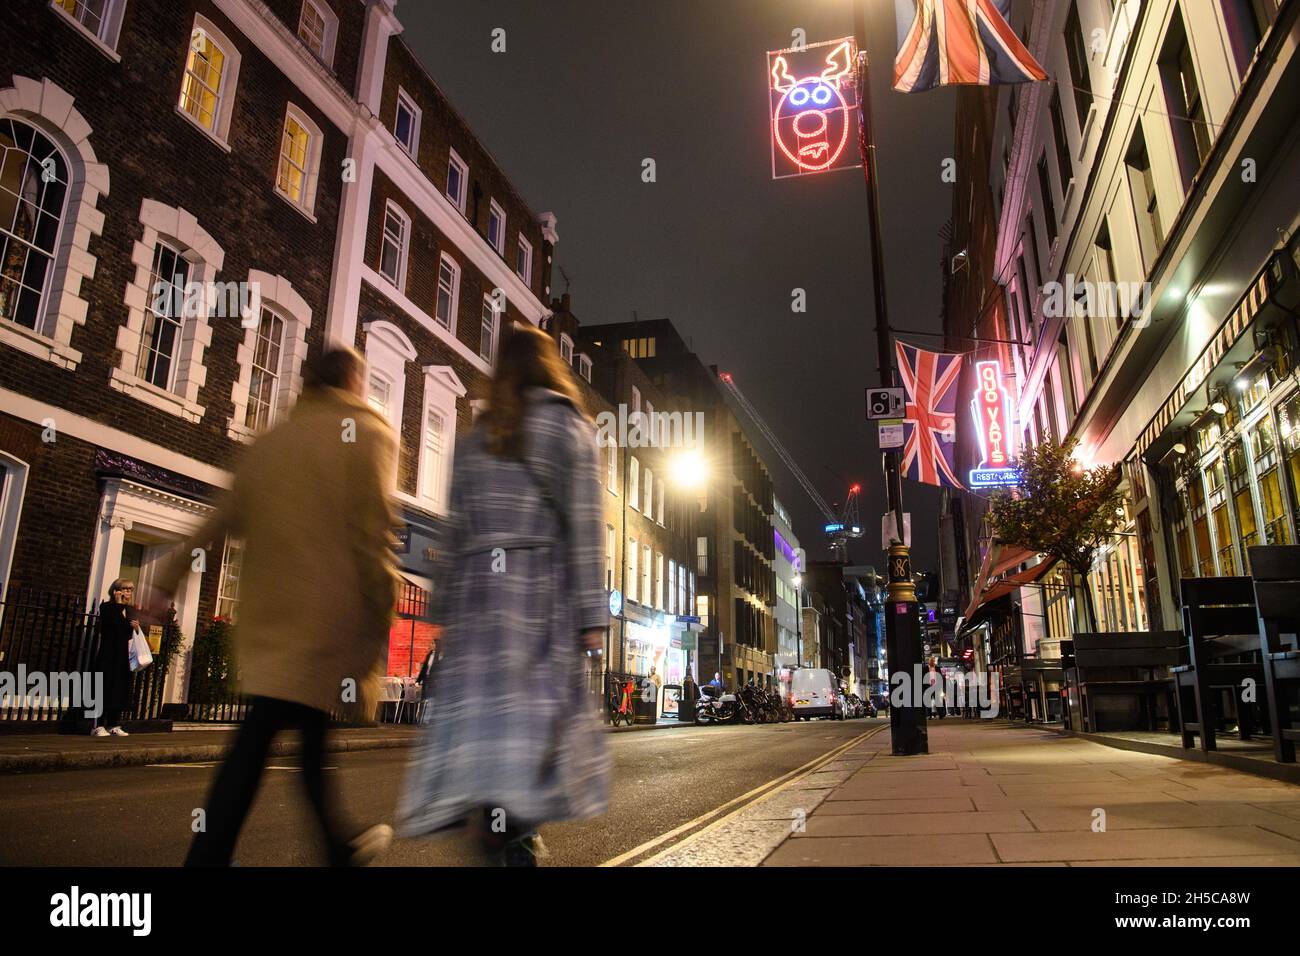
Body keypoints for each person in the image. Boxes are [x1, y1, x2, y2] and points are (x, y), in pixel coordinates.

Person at [153, 347, 399, 867]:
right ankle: (234, 853)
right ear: (353, 382)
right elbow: (373, 537)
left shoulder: (275, 442)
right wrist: (381, 617)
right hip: (326, 621)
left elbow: (222, 519)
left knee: (280, 736)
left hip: (269, 620)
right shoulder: (369, 437)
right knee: (276, 738)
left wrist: (166, 580)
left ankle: (326, 845)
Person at [397, 324, 609, 867]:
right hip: (539, 598)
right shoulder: (569, 428)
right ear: (548, 367)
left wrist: (443, 609)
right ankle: (515, 839)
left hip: (477, 604)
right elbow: (586, 530)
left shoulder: (479, 437)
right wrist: (591, 615)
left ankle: (498, 833)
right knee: (533, 735)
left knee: (487, 735)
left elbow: (455, 528)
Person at [91, 578, 138, 737]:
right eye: (125, 589)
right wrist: (118, 605)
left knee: (119, 689)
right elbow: (113, 625)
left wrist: (137, 628)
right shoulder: (107, 607)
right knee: (104, 687)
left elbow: (130, 632)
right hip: (108, 654)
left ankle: (113, 724)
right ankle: (97, 725)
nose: (128, 593)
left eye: (130, 590)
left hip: (123, 655)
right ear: (115, 591)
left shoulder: (130, 610)